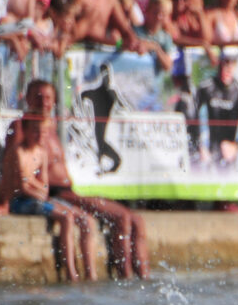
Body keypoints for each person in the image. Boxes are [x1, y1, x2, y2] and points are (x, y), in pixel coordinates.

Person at [23, 80, 149, 280]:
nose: (44, 102)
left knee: (137, 221)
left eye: (48, 98)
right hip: (56, 192)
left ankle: (144, 279)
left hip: (69, 190)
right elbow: (14, 164)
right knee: (122, 219)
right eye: (38, 97)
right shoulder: (24, 127)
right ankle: (125, 278)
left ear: (55, 100)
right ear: (27, 98)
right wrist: (5, 201)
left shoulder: (52, 127)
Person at [0, 89, 91, 281]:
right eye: (35, 131)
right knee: (66, 218)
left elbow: (43, 186)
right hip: (21, 202)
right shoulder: (20, 152)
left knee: (82, 219)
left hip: (37, 198)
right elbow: (23, 188)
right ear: (27, 132)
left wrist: (33, 185)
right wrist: (35, 188)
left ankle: (90, 273)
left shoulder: (41, 153)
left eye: (42, 132)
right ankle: (70, 271)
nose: (39, 135)